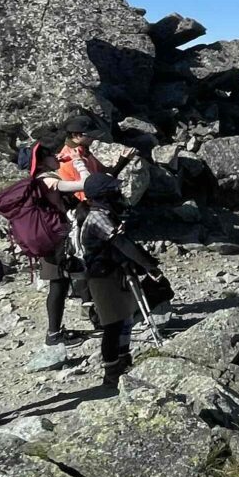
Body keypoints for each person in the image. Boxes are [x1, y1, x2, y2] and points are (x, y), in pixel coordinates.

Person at [33, 116, 128, 348]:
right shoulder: (48, 180)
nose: (58, 156)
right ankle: (56, 332)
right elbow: (87, 185)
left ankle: (84, 322)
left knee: (67, 282)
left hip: (60, 233)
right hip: (57, 237)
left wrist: (120, 164)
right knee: (61, 284)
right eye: (52, 155)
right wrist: (77, 163)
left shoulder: (53, 173)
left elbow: (100, 179)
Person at [71, 173, 159, 389]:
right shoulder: (98, 218)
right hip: (102, 278)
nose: (118, 193)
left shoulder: (105, 213)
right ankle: (112, 372)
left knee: (125, 320)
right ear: (103, 196)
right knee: (113, 325)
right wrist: (149, 266)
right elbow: (122, 244)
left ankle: (123, 361)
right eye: (112, 191)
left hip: (113, 274)